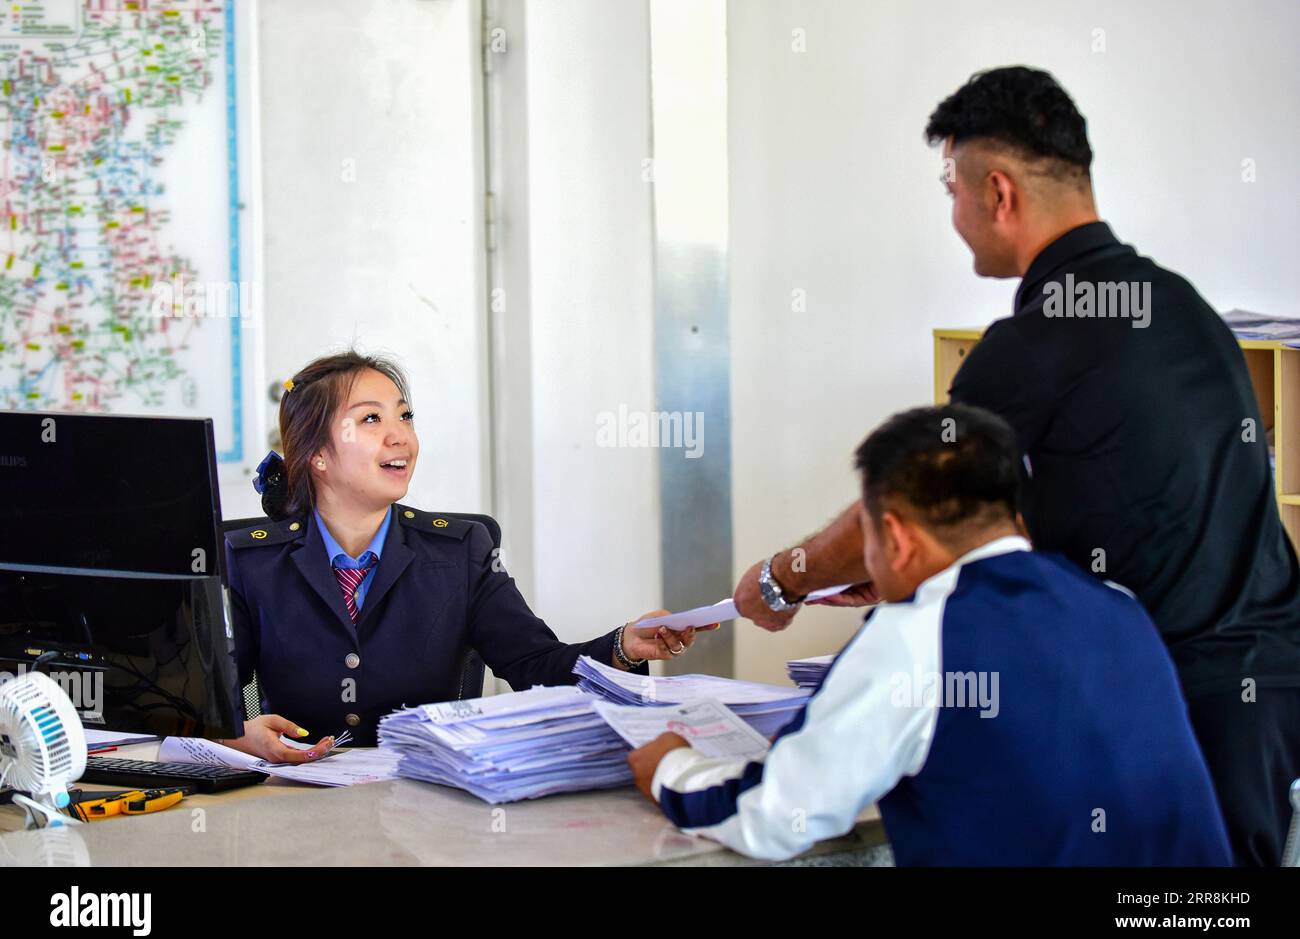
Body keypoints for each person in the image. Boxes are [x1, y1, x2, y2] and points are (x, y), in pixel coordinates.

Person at [732, 66, 1300, 866]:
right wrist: (924, 563)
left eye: (950, 187)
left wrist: (784, 577)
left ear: (997, 192)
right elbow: (1129, 498)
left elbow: (909, 498)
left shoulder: (1032, 346)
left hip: (1160, 710)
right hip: (1260, 701)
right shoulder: (1187, 310)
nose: (953, 213)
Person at [630, 405, 1231, 865]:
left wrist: (671, 768)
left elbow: (776, 816)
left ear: (895, 537)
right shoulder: (1116, 605)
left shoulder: (916, 634)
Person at [221, 351, 704, 758]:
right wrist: (237, 735)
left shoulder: (461, 551)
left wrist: (624, 646)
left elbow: (538, 666)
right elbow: (209, 704)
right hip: (294, 808)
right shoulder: (252, 563)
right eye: (371, 419)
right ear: (317, 455)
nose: (400, 436)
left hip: (428, 799)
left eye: (404, 416)